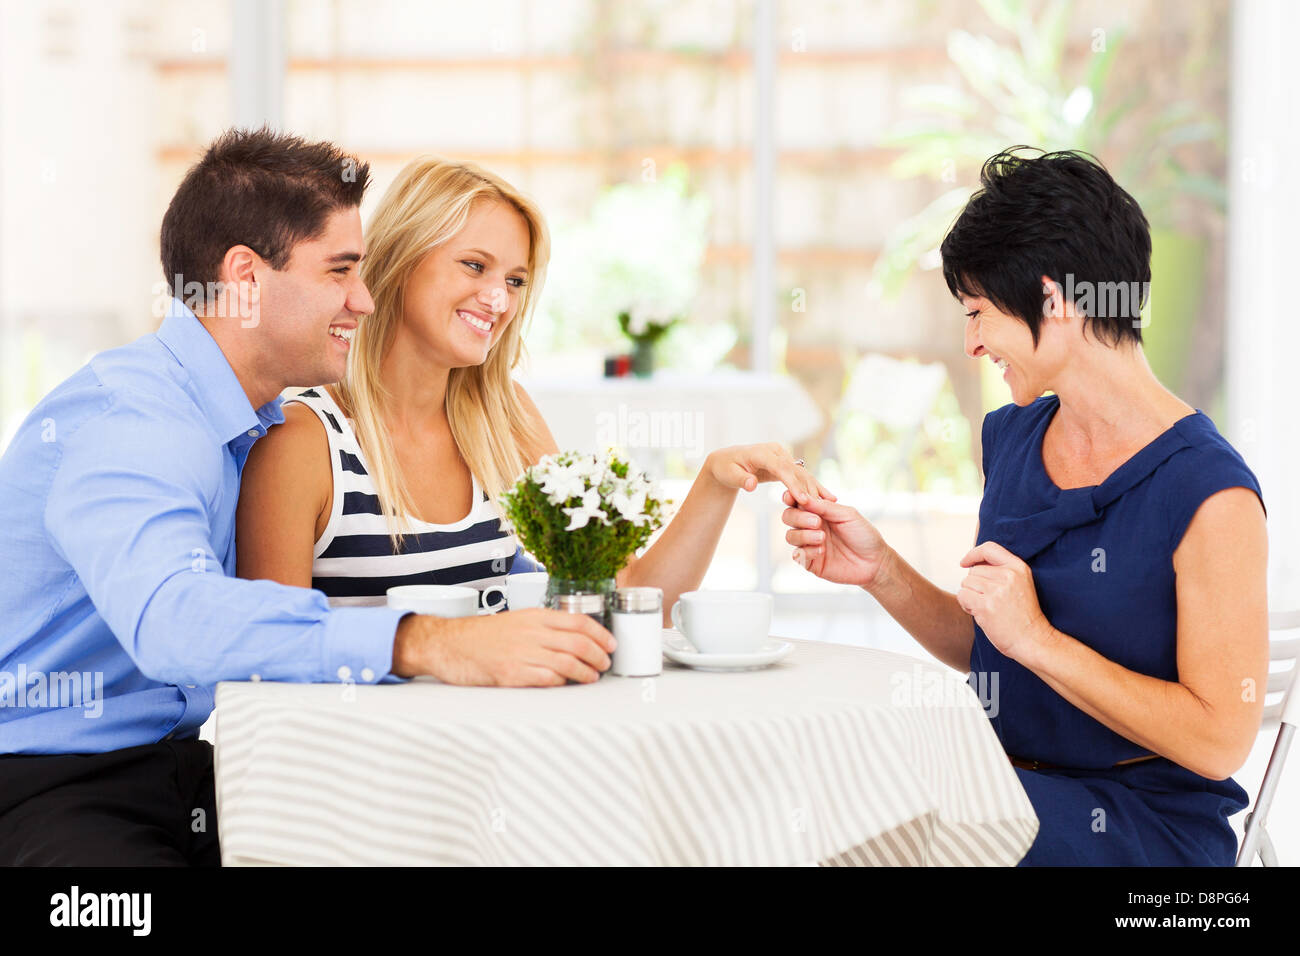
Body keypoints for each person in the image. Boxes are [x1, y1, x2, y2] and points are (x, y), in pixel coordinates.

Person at [0, 128, 615, 867]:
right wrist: (428, 641)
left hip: (180, 768)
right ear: (246, 278)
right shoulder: (134, 420)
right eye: (340, 271)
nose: (364, 297)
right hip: (42, 780)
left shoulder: (243, 422)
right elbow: (174, 620)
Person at [782, 148, 1268, 866]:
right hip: (1004, 793)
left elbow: (1219, 737)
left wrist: (1041, 640)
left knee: (874, 830)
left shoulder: (1208, 492)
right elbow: (991, 644)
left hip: (1143, 830)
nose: (972, 342)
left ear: (1056, 301)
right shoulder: (1012, 438)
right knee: (824, 790)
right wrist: (879, 569)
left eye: (978, 313)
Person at [235, 155, 830, 631]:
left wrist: (715, 480)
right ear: (399, 261)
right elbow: (272, 663)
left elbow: (631, 600)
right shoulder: (303, 441)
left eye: (515, 280)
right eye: (474, 266)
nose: (499, 300)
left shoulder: (504, 419)